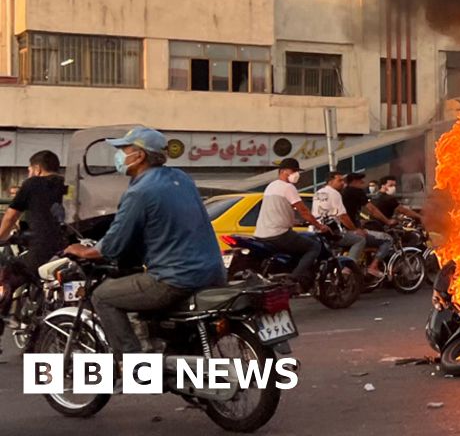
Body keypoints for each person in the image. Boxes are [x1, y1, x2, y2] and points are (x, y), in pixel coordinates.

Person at [63, 127, 225, 361]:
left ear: (139, 156)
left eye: (122, 150)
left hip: (176, 278)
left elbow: (113, 245)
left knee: (102, 296)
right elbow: (163, 225)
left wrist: (86, 251)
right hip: (213, 271)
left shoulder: (141, 190)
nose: (118, 156)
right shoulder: (181, 178)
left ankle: (133, 363)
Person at [0, 151, 67, 320]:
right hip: (68, 248)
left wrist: (1, 237)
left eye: (29, 170)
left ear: (37, 169)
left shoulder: (32, 184)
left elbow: (10, 216)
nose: (29, 173)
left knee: (7, 275)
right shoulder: (67, 185)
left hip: (42, 249)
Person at [254, 158, 328, 291]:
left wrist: (294, 221)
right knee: (314, 246)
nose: (296, 174)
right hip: (279, 234)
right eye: (293, 171)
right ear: (283, 171)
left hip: (261, 233)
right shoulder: (288, 187)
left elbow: (277, 210)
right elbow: (304, 211)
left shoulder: (271, 186)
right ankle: (293, 278)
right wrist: (319, 226)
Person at [341, 173, 394, 279]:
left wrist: (361, 221)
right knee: (387, 239)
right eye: (361, 181)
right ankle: (373, 267)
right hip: (351, 232)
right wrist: (387, 221)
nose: (363, 183)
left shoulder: (342, 193)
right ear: (354, 181)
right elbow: (372, 209)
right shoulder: (357, 192)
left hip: (340, 231)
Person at [312, 171, 367, 264]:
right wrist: (355, 230)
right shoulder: (334, 193)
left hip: (317, 230)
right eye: (339, 180)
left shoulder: (318, 192)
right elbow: (342, 216)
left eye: (343, 180)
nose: (343, 183)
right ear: (330, 181)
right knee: (360, 239)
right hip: (331, 232)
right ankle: (348, 267)